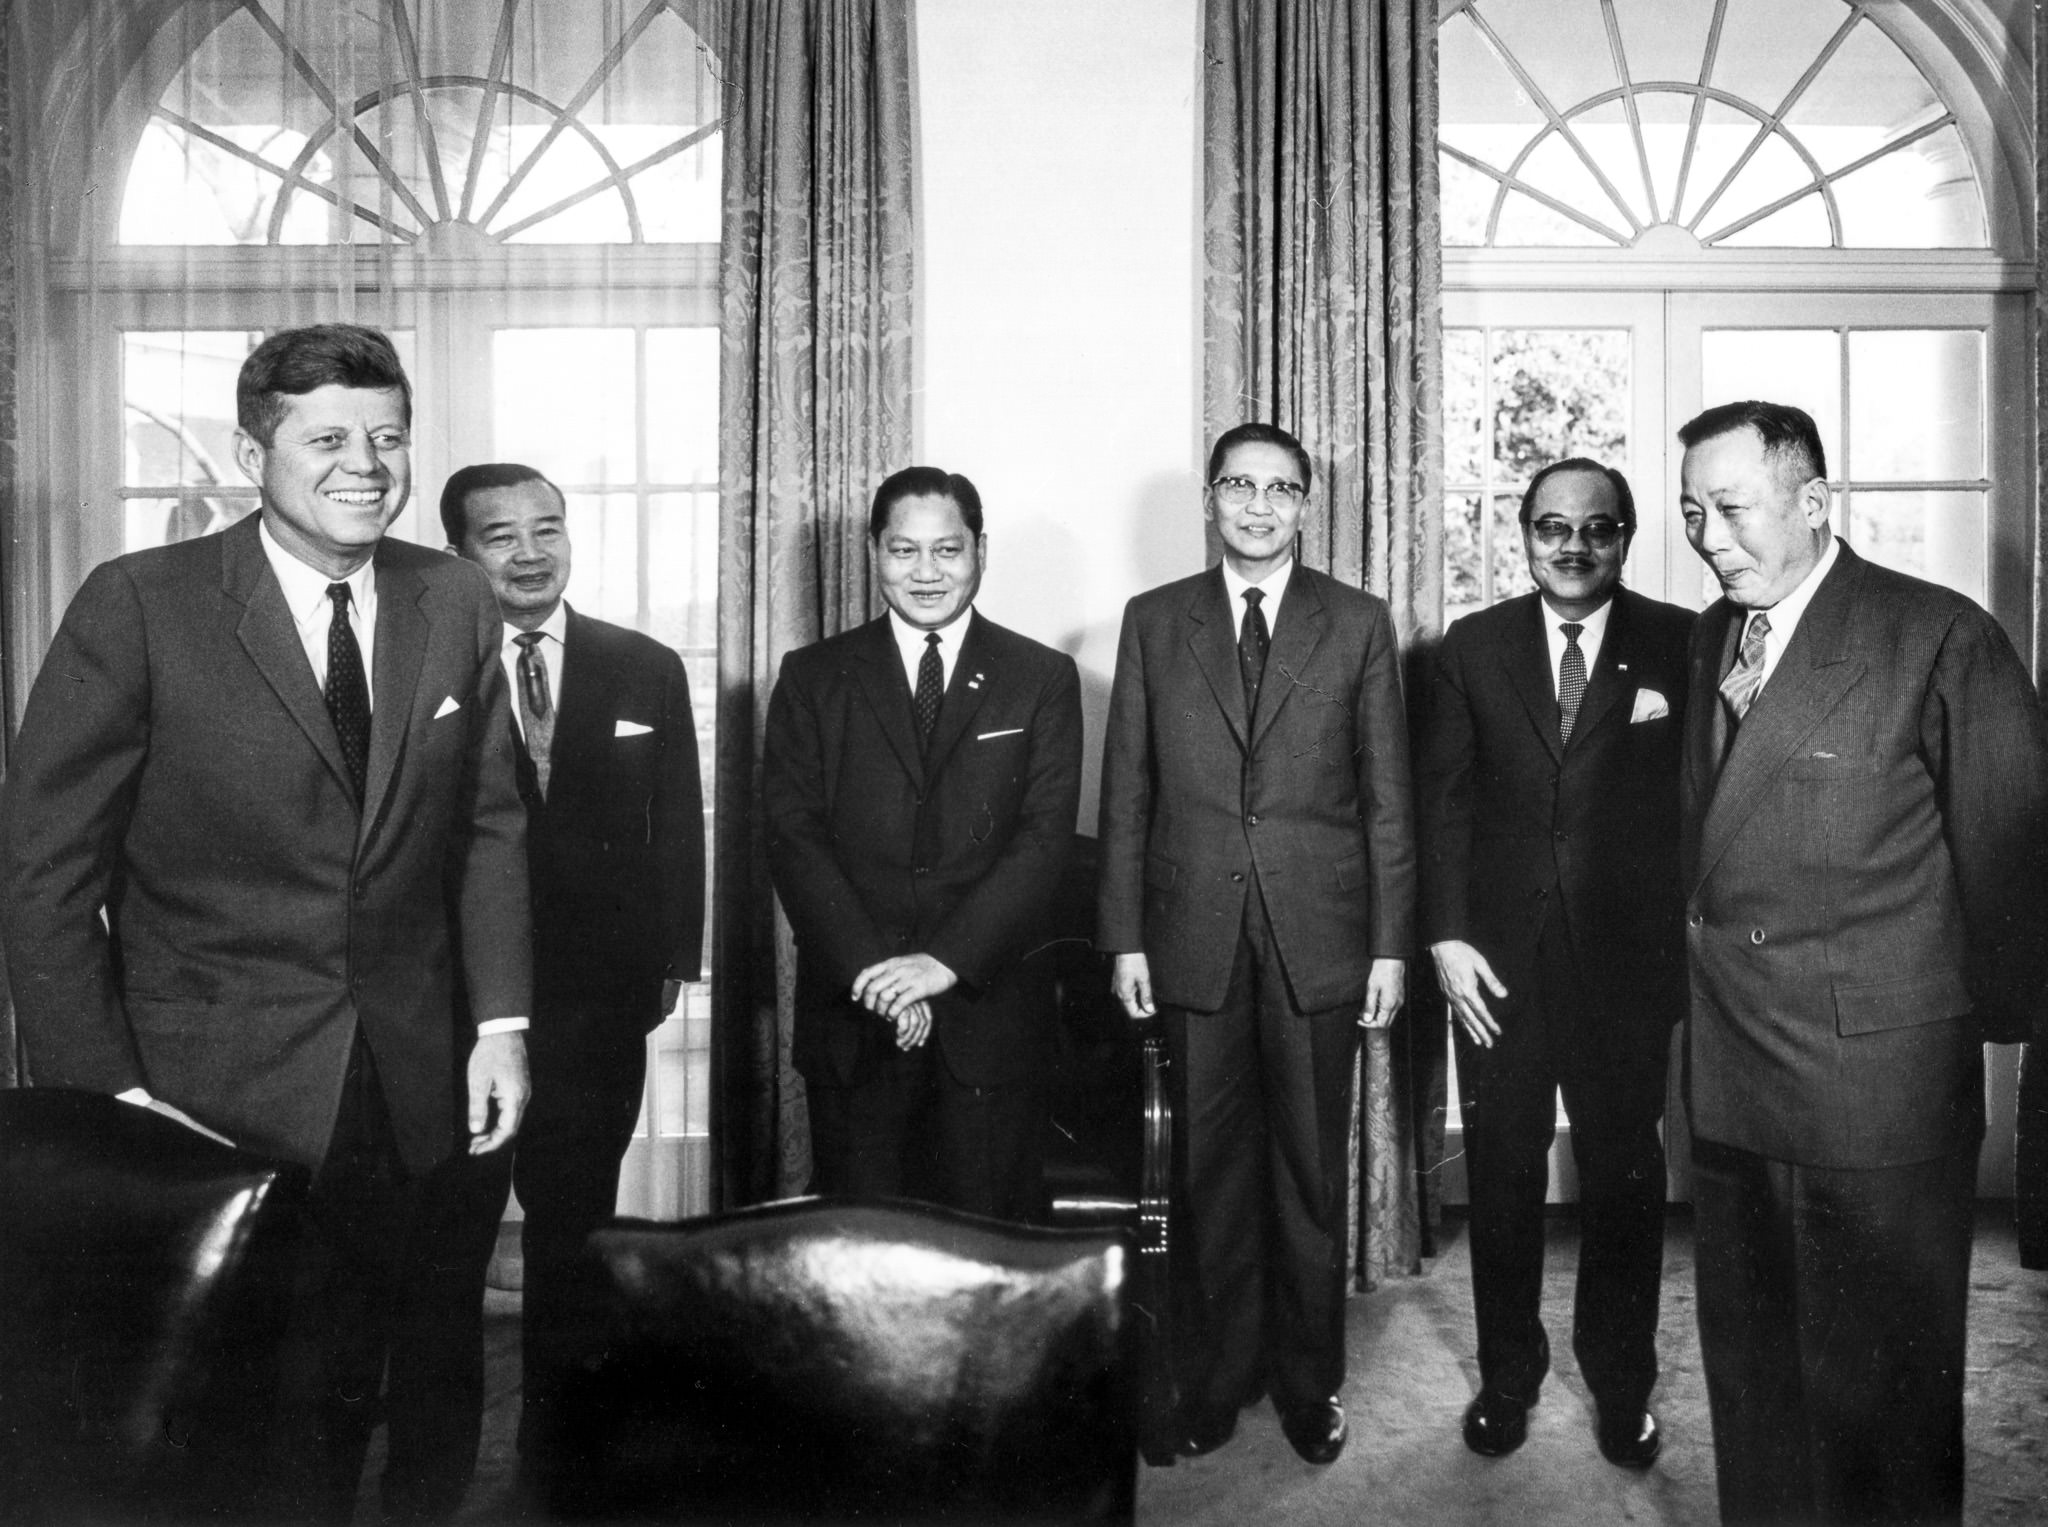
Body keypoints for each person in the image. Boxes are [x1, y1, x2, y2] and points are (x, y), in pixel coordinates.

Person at [0, 323, 532, 1522]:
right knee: (230, 1423)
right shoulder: (140, 604)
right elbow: (40, 872)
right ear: (254, 455)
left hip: (402, 1077)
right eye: (329, 438)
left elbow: (488, 824)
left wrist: (500, 1021)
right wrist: (110, 1095)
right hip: (202, 1091)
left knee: (357, 1389)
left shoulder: (450, 597)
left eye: (388, 438)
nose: (367, 464)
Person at [1676, 399, 2048, 1525]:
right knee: (1752, 1386)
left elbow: (2010, 864)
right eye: (1693, 513)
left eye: (1732, 510)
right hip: (1733, 1080)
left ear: (1812, 502)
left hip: (1873, 1098)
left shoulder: (1936, 635)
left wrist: (1967, 1035)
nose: (1709, 537)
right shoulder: (1707, 637)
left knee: (1879, 1405)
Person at [1097, 421, 1415, 1466]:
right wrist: (1124, 938)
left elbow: (1386, 803)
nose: (1258, 505)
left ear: (1305, 503)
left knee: (1309, 1174)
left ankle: (1308, 1383)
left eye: (1280, 488)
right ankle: (1217, 1378)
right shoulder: (1154, 622)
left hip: (1317, 942)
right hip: (1188, 938)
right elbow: (1127, 791)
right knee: (1207, 1176)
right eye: (1239, 484)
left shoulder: (1357, 624)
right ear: (1210, 498)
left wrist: (1387, 947)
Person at [1417, 458, 1691, 1469]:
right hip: (1495, 967)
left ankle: (1621, 1386)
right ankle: (1506, 1377)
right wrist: (1444, 937)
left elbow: (1698, 806)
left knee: (1624, 1174)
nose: (1570, 548)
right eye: (1549, 528)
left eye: (1595, 529)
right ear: (1521, 535)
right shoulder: (1472, 646)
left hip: (1625, 963)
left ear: (1623, 536)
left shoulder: (1679, 639)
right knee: (1499, 1171)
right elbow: (1440, 801)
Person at [438, 461, 705, 1459]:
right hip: (460, 1007)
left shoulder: (642, 665)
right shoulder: (425, 665)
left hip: (600, 1003)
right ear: (461, 554)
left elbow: (679, 819)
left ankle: (557, 1452)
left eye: (546, 528)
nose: (530, 551)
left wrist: (676, 953)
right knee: (452, 1230)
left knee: (572, 1227)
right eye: (500, 535)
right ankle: (440, 1458)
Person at [763, 466, 1082, 1221]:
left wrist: (940, 965)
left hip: (987, 1019)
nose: (927, 572)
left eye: (947, 550)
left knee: (986, 1252)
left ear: (979, 552)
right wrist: (881, 975)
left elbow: (1043, 842)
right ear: (874, 552)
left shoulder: (1040, 677)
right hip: (857, 1014)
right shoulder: (812, 677)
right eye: (905, 550)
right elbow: (793, 837)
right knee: (866, 1260)